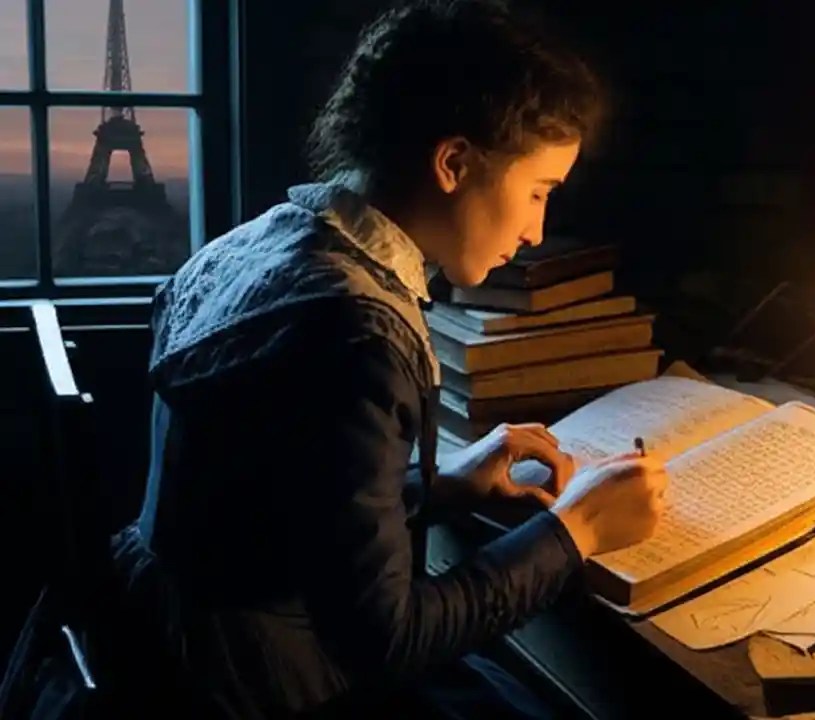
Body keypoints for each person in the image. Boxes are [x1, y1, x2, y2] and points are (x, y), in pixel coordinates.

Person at [98, 1, 667, 717]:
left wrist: (440, 483)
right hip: (245, 685)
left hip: (151, 629)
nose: (536, 230)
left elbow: (274, 504)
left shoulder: (259, 244)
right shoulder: (360, 331)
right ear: (454, 163)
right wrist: (577, 531)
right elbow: (387, 640)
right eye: (536, 192)